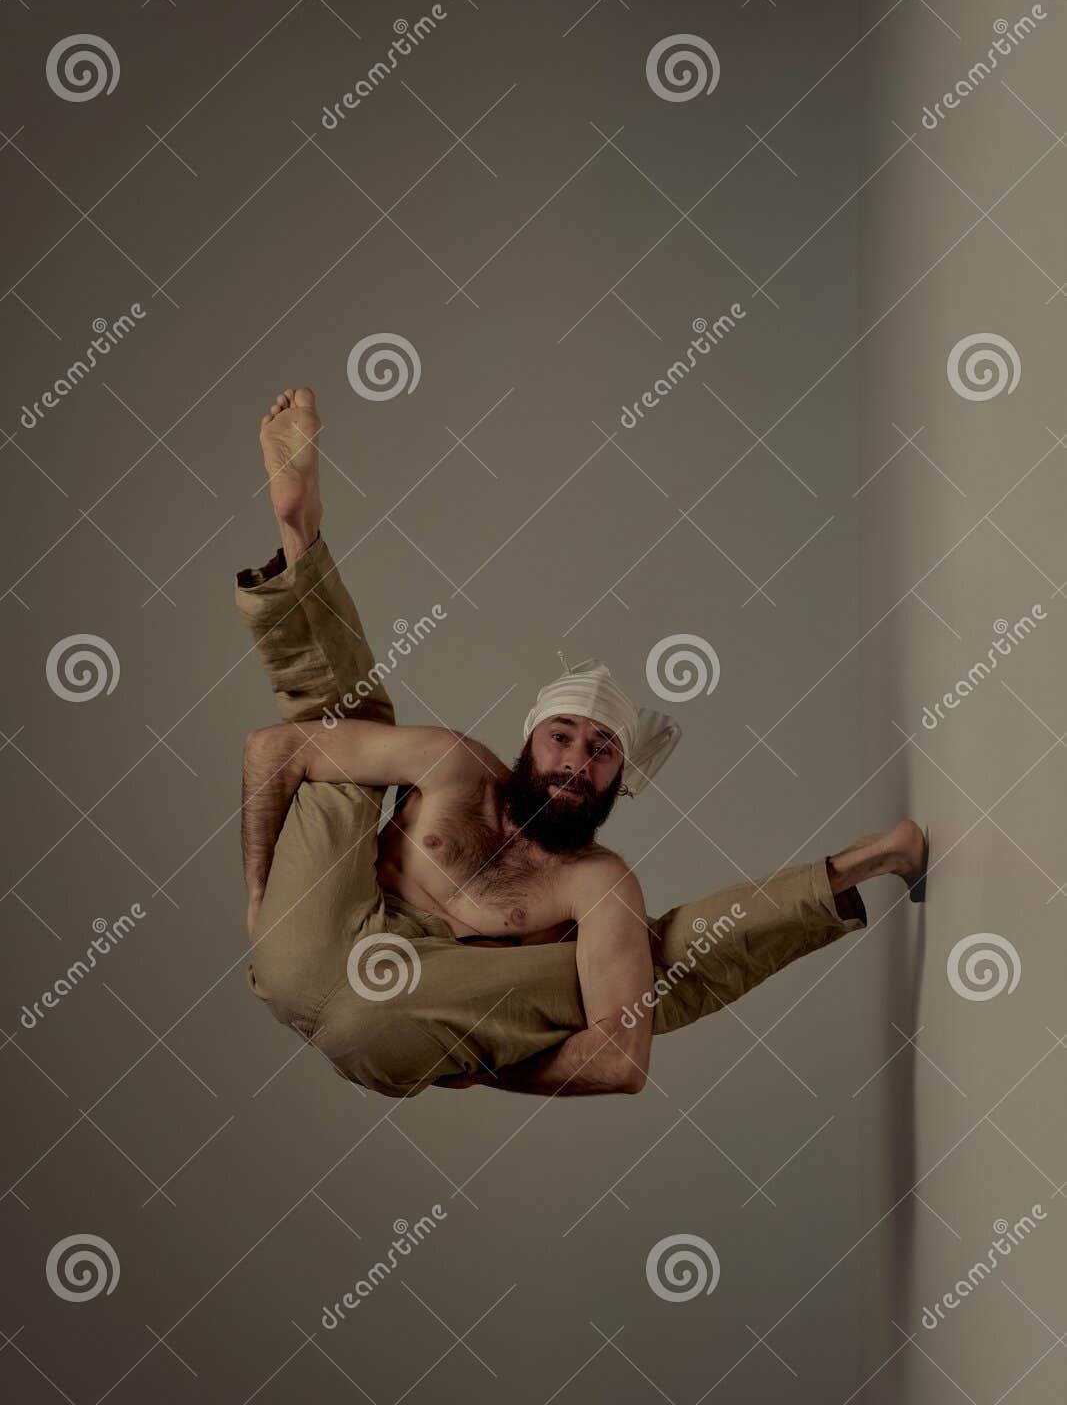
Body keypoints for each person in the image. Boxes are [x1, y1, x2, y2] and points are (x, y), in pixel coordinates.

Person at [237, 388, 927, 1100]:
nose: (576, 759)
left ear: (620, 779)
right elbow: (271, 750)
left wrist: (485, 1063)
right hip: (305, 945)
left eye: (601, 751)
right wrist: (262, 900)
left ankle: (859, 863)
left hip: (396, 1022)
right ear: (527, 743)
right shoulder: (451, 768)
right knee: (345, 734)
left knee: (642, 968)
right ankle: (300, 531)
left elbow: (618, 1062)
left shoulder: (595, 886)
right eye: (561, 737)